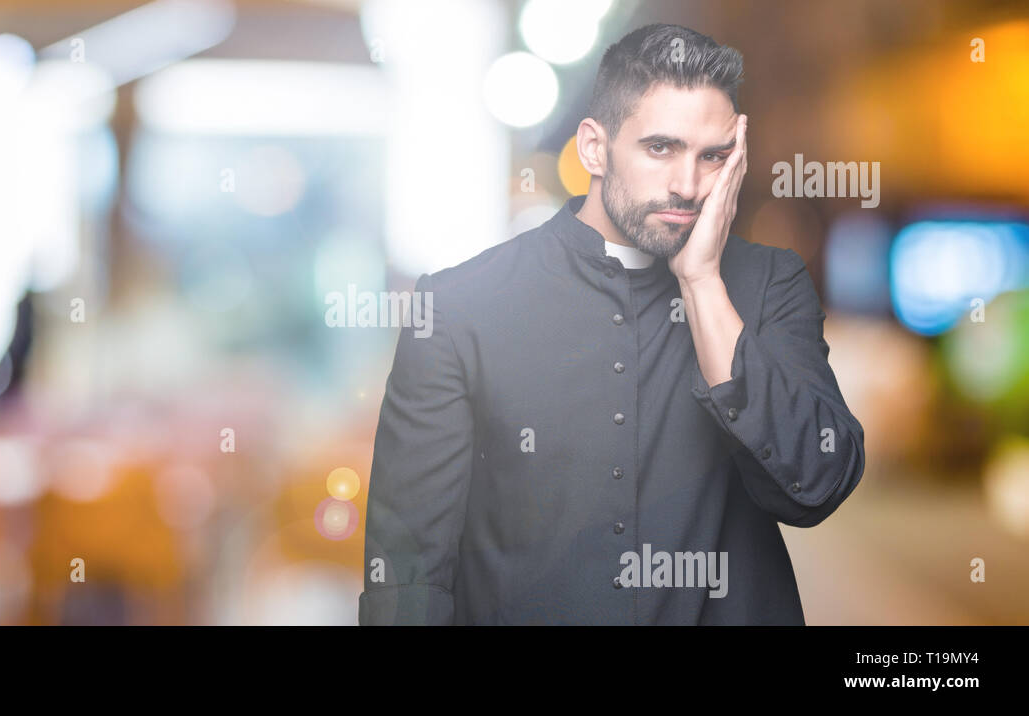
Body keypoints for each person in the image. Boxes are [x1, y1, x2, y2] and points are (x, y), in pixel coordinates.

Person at [358, 23, 865, 625]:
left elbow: (818, 483)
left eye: (714, 156)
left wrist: (703, 285)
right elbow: (409, 568)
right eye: (660, 148)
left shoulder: (767, 284)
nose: (687, 184)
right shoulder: (457, 305)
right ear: (595, 148)